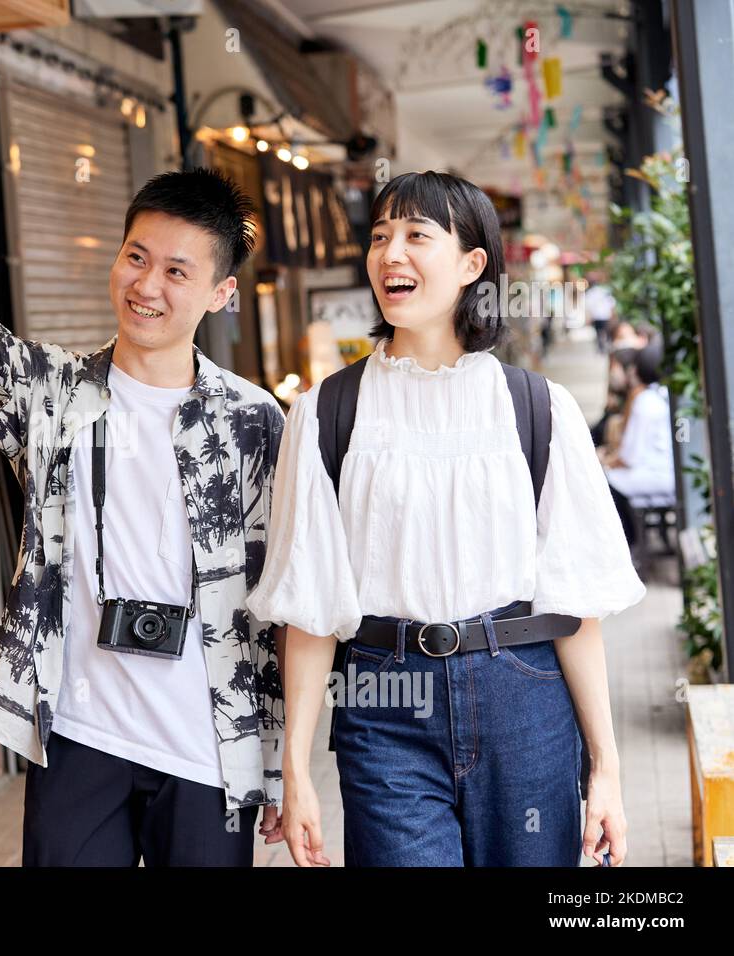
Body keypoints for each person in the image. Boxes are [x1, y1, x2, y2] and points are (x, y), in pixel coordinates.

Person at [0, 165, 288, 866]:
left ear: (220, 292)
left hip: (206, 745)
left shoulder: (253, 421)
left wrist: (276, 759)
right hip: (80, 733)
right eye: (136, 258)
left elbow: (279, 594)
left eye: (177, 271)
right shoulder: (55, 391)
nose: (147, 286)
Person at [245, 170, 644, 868]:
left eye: (415, 236)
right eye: (379, 237)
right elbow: (310, 612)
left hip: (523, 693)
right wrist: (297, 771)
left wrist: (605, 768)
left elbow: (576, 603)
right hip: (381, 695)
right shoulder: (325, 415)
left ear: (471, 265)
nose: (390, 253)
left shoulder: (538, 409)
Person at [604, 344, 675, 547]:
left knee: (604, 481)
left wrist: (607, 462)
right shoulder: (661, 393)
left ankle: (628, 543)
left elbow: (629, 456)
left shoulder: (644, 401)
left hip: (656, 474)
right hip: (665, 470)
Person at [584, 273, 616, 354]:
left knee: (599, 333)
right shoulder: (605, 291)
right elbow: (611, 303)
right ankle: (606, 346)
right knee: (606, 332)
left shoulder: (590, 293)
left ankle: (601, 347)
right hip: (605, 315)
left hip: (597, 316)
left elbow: (588, 308)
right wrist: (613, 314)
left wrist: (588, 318)